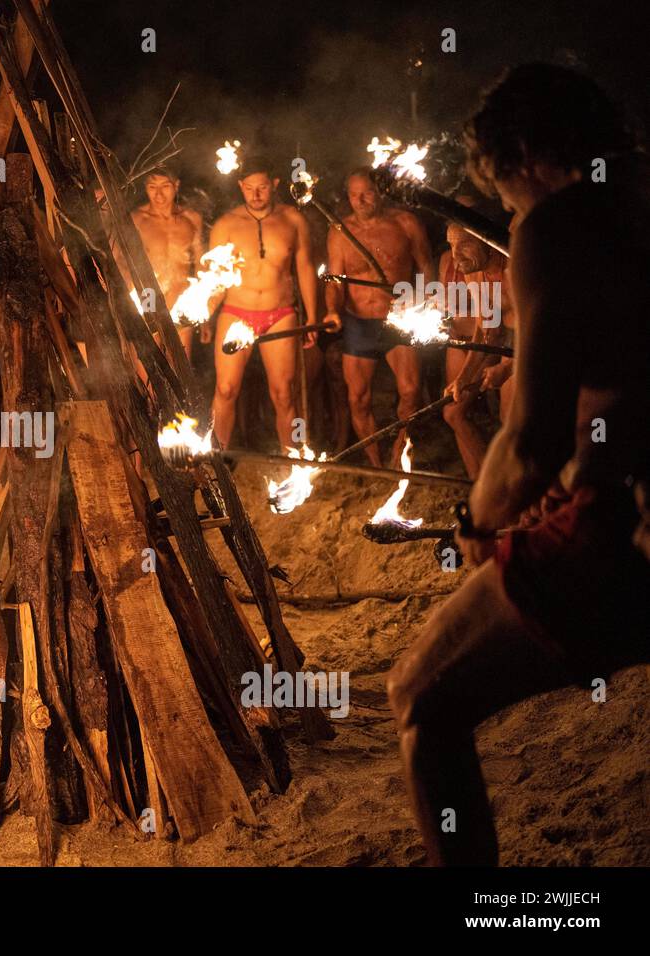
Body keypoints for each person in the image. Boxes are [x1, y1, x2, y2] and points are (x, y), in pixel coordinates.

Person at [387, 64, 650, 866]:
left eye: (506, 197)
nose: (509, 213)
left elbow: (530, 439)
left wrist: (481, 519)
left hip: (625, 531)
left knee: (421, 697)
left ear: (528, 155)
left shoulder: (557, 227)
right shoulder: (636, 198)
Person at [323, 169, 434, 467]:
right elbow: (335, 280)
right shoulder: (340, 231)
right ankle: (376, 464)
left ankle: (400, 453)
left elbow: (426, 265)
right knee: (358, 397)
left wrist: (426, 302)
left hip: (398, 318)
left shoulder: (405, 223)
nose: (359, 200)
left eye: (367, 192)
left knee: (410, 391)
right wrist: (333, 309)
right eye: (353, 194)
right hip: (359, 321)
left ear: (380, 192)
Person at [207, 157, 319, 450]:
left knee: (284, 394)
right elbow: (214, 278)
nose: (256, 195)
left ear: (275, 185)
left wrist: (311, 317)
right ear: (240, 186)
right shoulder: (226, 225)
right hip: (235, 312)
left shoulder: (293, 219)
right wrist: (204, 316)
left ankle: (295, 464)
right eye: (249, 189)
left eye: (263, 188)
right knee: (226, 389)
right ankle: (216, 465)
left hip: (280, 314)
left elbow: (305, 268)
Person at [438, 196, 516, 478]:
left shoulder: (515, 269)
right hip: (510, 343)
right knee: (453, 412)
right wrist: (464, 377)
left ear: (486, 239)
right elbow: (489, 330)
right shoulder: (475, 273)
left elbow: (547, 330)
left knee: (513, 425)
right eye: (450, 245)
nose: (456, 256)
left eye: (464, 244)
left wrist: (507, 367)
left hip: (534, 342)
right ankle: (483, 487)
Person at [130, 168, 205, 356]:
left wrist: (204, 312)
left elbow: (201, 263)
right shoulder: (137, 219)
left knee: (182, 369)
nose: (158, 194)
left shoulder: (192, 218)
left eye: (165, 186)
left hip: (182, 302)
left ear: (176, 185)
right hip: (148, 301)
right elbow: (124, 263)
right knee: (152, 368)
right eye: (152, 186)